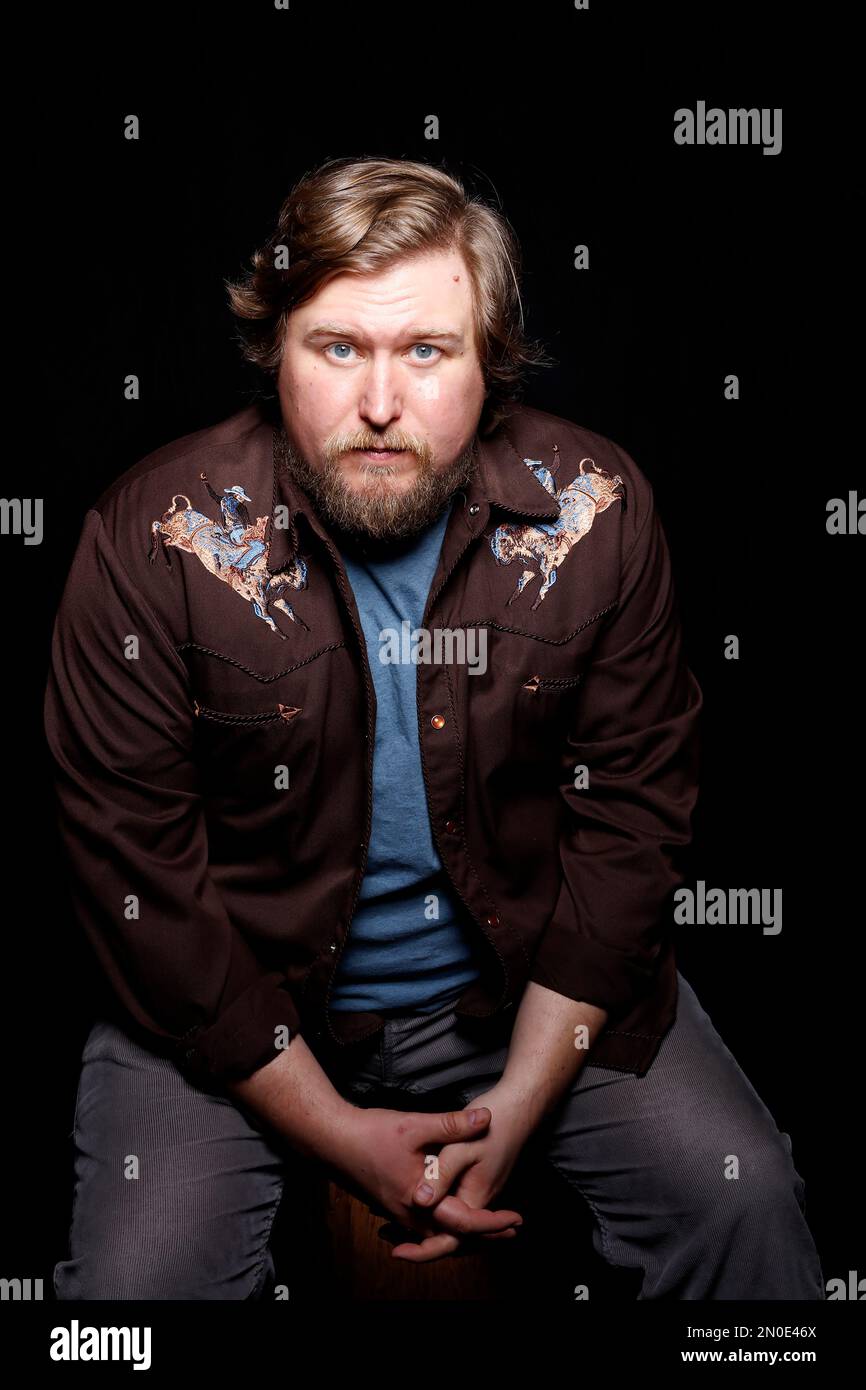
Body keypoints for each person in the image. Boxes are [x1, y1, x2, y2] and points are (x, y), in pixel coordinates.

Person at [44, 155, 824, 1300]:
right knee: (127, 1301)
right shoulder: (148, 541)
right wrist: (334, 1129)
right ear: (277, 354)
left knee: (742, 1200)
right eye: (336, 347)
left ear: (488, 362)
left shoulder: (594, 509)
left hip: (534, 990)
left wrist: (514, 1106)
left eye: (425, 350)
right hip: (230, 1010)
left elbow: (632, 830)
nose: (377, 403)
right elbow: (140, 885)